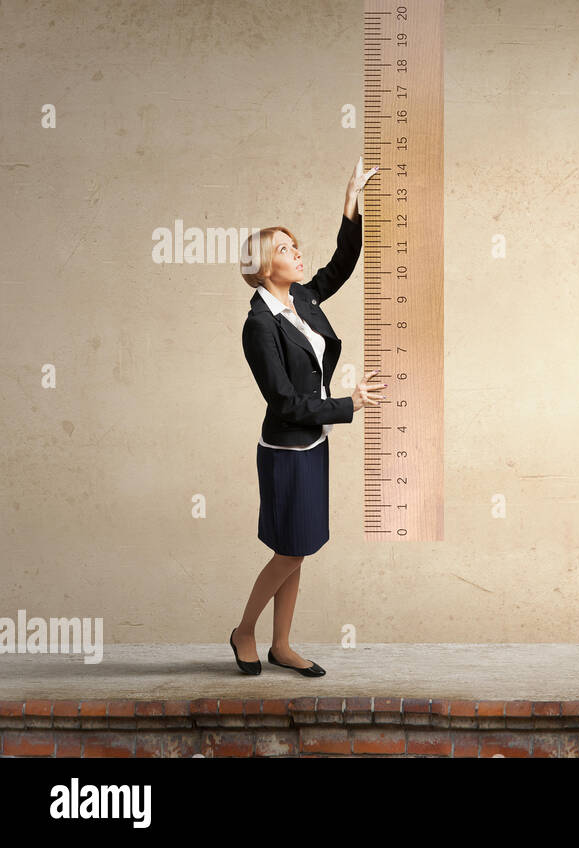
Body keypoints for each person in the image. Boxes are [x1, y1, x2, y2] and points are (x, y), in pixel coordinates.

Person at [229, 156, 382, 676]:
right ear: (265, 264)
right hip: (286, 450)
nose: (298, 254)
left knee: (300, 548)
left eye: (296, 248)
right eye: (287, 250)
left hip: (313, 445)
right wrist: (349, 404)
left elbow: (343, 261)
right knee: (289, 551)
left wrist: (351, 203)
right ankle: (244, 630)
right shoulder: (258, 324)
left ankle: (282, 645)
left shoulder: (302, 299)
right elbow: (285, 403)